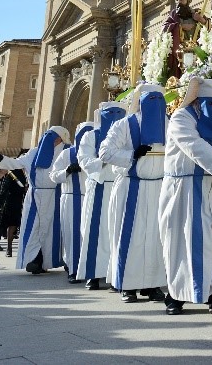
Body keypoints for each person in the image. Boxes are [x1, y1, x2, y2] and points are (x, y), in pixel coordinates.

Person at [158, 75, 212, 315]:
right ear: (198, 100)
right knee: (182, 243)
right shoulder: (181, 117)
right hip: (185, 189)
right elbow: (194, 146)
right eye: (210, 103)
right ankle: (175, 296)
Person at [100, 82, 169, 303]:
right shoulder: (123, 125)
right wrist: (132, 154)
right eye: (151, 99)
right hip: (131, 186)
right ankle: (126, 285)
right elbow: (105, 152)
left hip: (159, 187)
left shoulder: (168, 124)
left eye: (160, 100)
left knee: (156, 238)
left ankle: (152, 284)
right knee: (129, 237)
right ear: (139, 101)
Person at [0, 126, 70, 274]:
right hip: (35, 196)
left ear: (60, 138)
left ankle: (55, 260)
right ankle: (34, 260)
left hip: (55, 196)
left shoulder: (66, 151)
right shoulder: (34, 152)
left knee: (52, 230)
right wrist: (1, 159)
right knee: (34, 229)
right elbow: (17, 163)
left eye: (53, 136)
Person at [78, 102, 127, 290]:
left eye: (118, 113)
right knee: (94, 233)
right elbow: (84, 160)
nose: (114, 116)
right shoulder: (91, 136)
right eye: (110, 113)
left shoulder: (124, 134)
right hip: (98, 186)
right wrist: (105, 160)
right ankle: (93, 274)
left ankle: (115, 274)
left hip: (118, 185)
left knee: (116, 232)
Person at [50, 122, 91, 282]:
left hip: (90, 197)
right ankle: (73, 270)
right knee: (72, 235)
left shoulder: (95, 152)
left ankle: (89, 270)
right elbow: (53, 175)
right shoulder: (67, 154)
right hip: (71, 197)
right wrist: (66, 171)